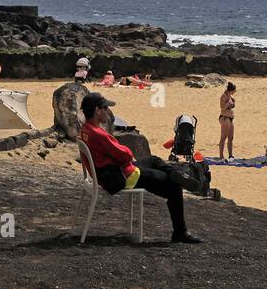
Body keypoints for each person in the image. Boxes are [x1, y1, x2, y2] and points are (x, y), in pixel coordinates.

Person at [79, 92, 201, 243]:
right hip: (123, 177)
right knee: (174, 187)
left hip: (110, 173)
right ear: (97, 110)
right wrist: (126, 152)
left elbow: (116, 154)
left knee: (154, 160)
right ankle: (180, 233)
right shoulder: (99, 134)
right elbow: (125, 155)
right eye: (105, 108)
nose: (107, 111)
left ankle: (176, 174)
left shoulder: (85, 130)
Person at [218, 82, 236, 160]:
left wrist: (232, 102)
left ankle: (230, 155)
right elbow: (222, 108)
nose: (235, 91)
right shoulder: (223, 96)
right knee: (223, 137)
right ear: (231, 90)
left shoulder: (230, 97)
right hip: (225, 118)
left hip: (231, 118)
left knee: (231, 137)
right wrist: (228, 103)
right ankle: (221, 156)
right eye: (235, 90)